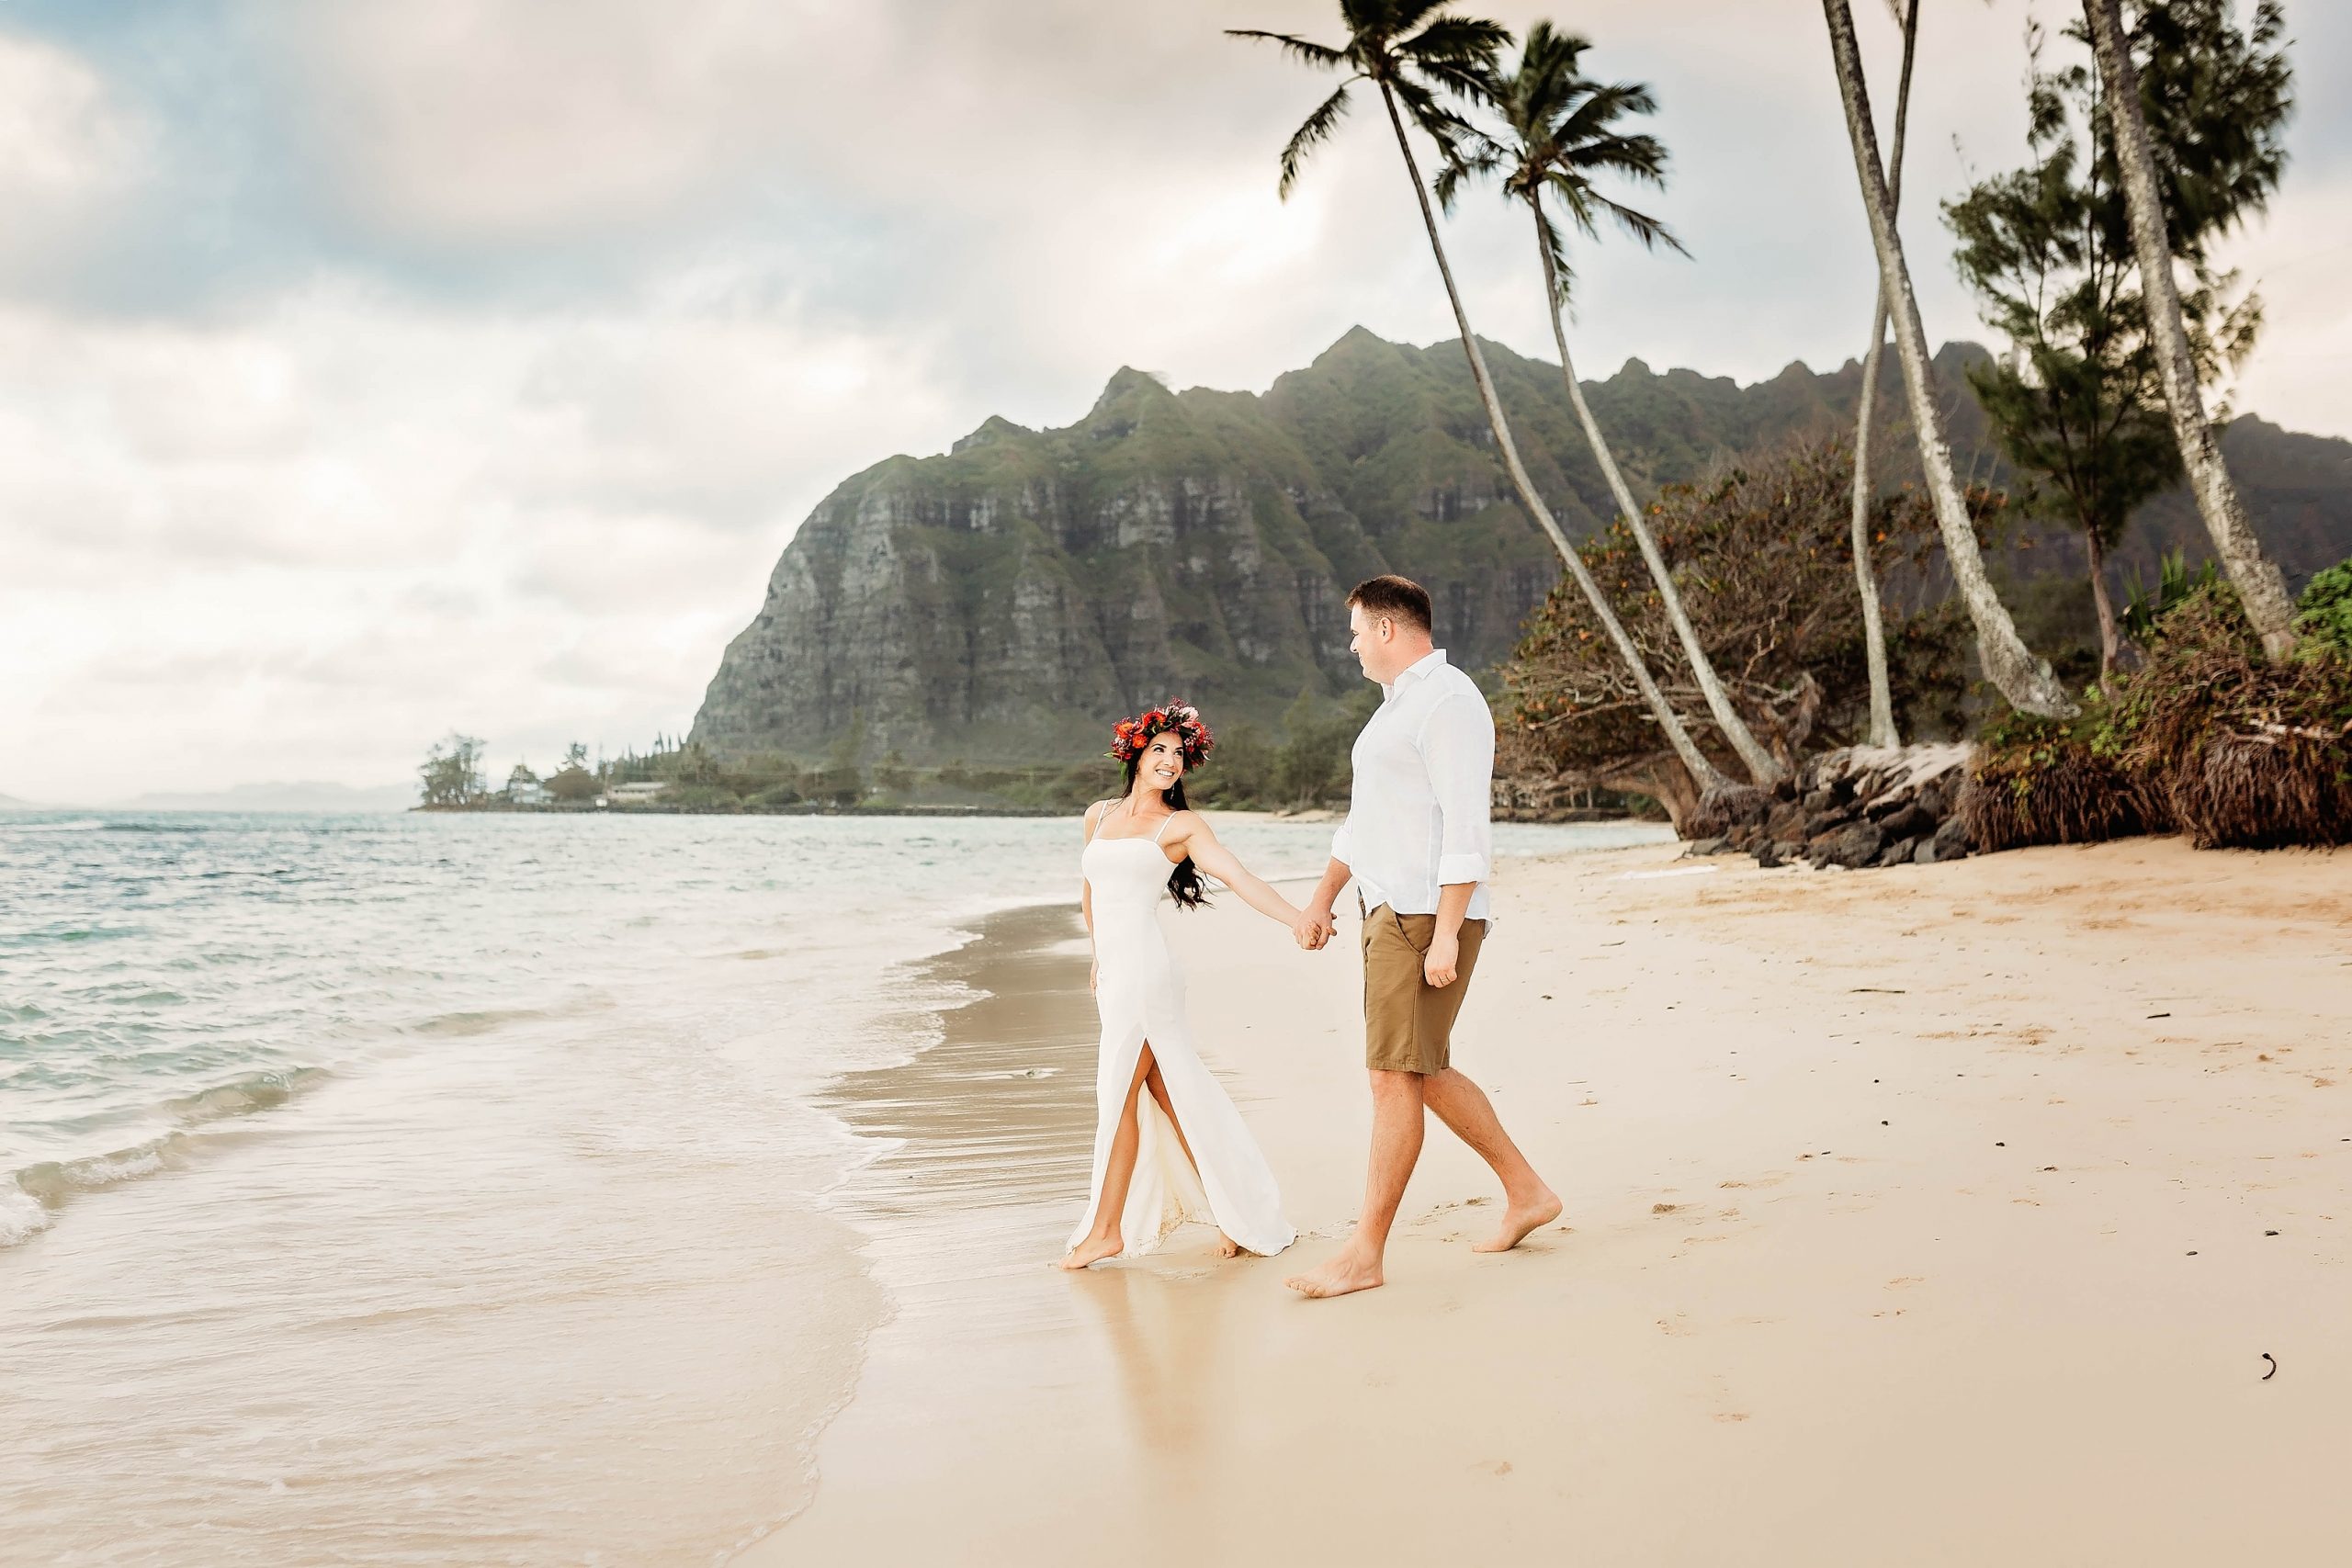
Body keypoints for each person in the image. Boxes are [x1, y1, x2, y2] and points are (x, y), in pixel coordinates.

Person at [1282, 575, 1561, 1299]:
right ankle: (1526, 1190)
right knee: (1421, 1067)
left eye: (1354, 632)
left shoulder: (1450, 701)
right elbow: (1364, 825)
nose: (1350, 645)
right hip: (1390, 910)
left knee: (1392, 1075)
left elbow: (1466, 826)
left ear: (1385, 630)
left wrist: (1444, 935)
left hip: (1422, 916)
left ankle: (1364, 1253)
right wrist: (1321, 899)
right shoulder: (1391, 713)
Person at [1059, 701, 1300, 1269]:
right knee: (1173, 1098)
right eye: (1160, 750)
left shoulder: (1181, 827)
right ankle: (1236, 1214)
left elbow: (1237, 875)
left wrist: (1296, 918)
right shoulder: (1097, 816)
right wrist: (1098, 959)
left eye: (1179, 754)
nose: (1170, 762)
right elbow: (1091, 896)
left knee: (1117, 1095)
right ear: (1135, 752)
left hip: (1148, 975)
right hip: (1117, 975)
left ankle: (1106, 1229)